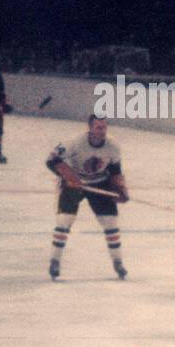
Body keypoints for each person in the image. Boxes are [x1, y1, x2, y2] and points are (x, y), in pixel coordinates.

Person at [45, 115, 128, 279]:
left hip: (100, 183)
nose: (102, 131)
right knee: (64, 221)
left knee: (111, 223)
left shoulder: (113, 146)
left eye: (104, 127)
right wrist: (70, 177)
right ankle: (55, 261)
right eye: (98, 127)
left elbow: (115, 170)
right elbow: (51, 160)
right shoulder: (74, 142)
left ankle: (118, 262)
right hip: (73, 184)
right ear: (90, 128)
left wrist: (120, 188)